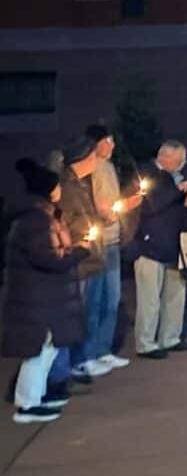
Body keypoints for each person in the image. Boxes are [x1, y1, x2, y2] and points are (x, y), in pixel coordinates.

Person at [5, 159, 96, 424]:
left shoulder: (43, 216)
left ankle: (38, 396)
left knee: (47, 351)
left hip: (43, 298)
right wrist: (80, 249)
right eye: (56, 187)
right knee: (38, 353)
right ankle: (27, 405)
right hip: (37, 300)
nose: (60, 191)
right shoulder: (36, 221)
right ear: (48, 191)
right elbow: (49, 259)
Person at [81, 126, 138, 372]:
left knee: (111, 299)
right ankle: (87, 355)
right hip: (98, 243)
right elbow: (102, 208)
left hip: (112, 241)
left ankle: (103, 350)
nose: (112, 145)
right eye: (108, 140)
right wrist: (127, 204)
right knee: (93, 301)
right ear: (97, 143)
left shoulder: (108, 167)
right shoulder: (93, 169)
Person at [133, 140, 187, 359]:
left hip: (173, 245)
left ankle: (170, 337)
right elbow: (149, 205)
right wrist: (177, 192)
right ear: (166, 157)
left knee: (174, 295)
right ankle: (146, 343)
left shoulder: (170, 177)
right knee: (150, 299)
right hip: (150, 246)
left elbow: (172, 209)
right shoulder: (146, 174)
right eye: (180, 160)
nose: (182, 164)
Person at [56, 137, 105, 378]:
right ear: (83, 160)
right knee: (74, 314)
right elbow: (67, 219)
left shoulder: (78, 184)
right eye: (94, 156)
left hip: (86, 255)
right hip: (78, 257)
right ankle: (71, 366)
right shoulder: (67, 187)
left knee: (84, 312)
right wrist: (84, 232)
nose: (96, 161)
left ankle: (79, 361)